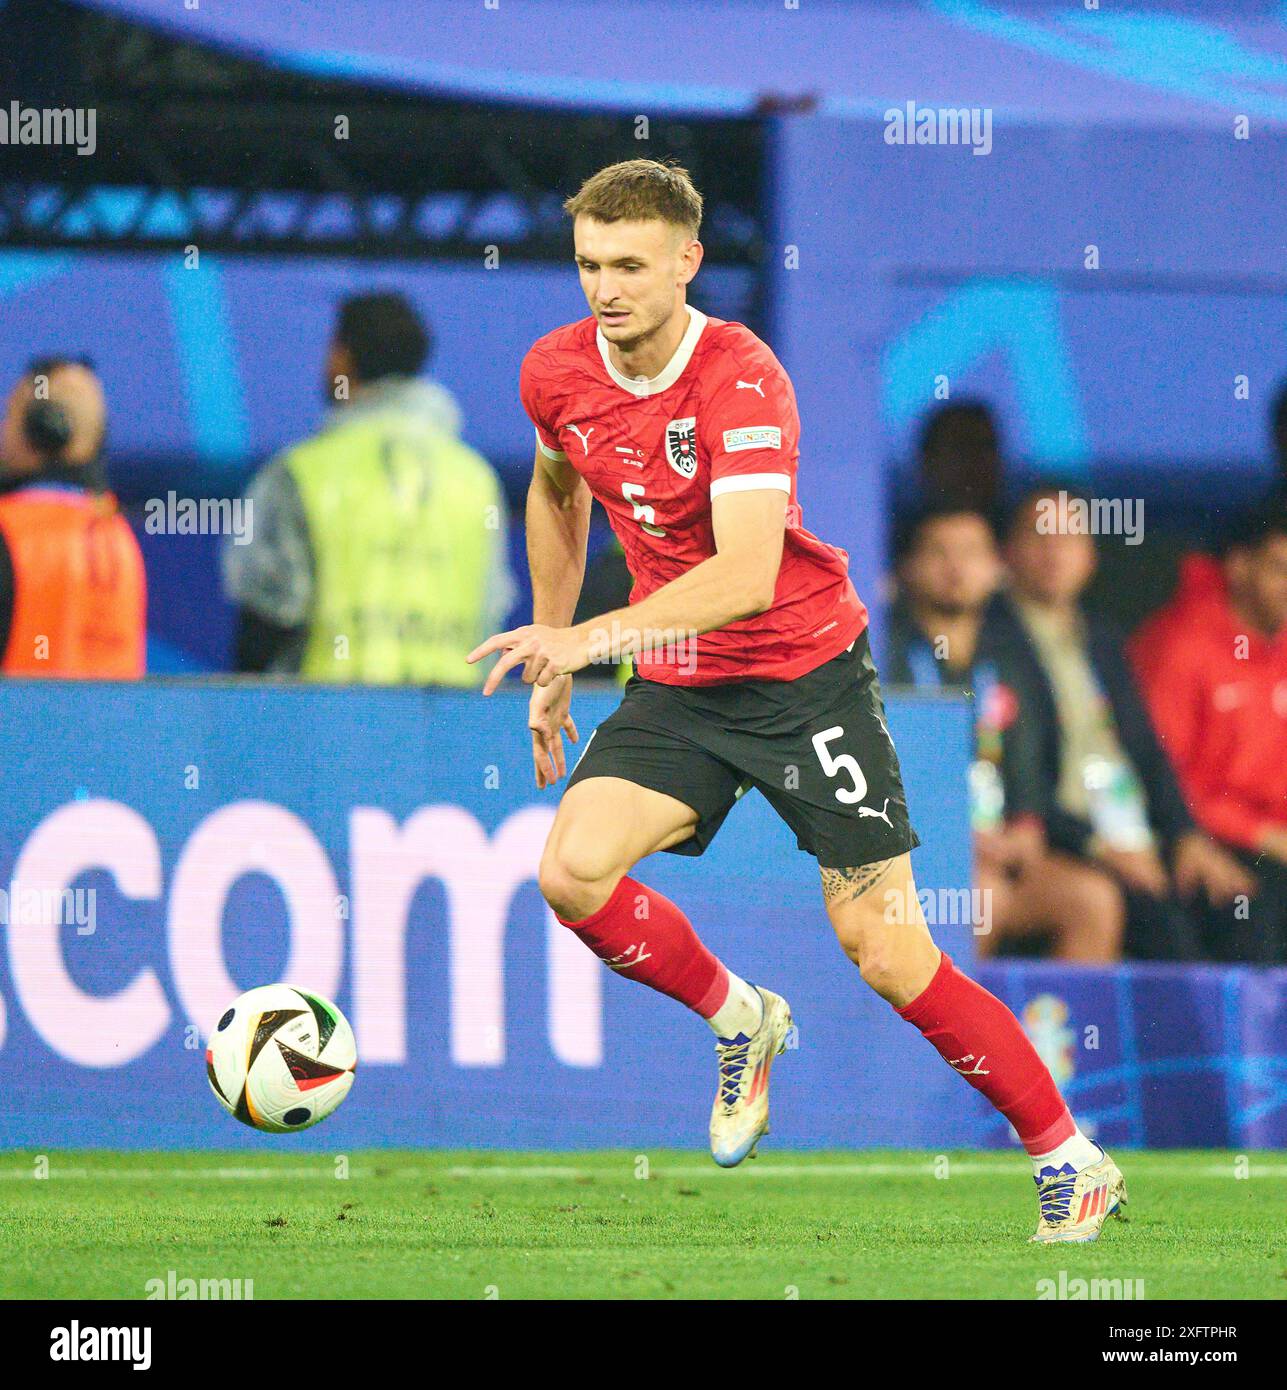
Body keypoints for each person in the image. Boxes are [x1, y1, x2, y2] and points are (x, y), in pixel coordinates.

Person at [468, 159, 1125, 1244]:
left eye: (629, 265)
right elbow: (554, 488)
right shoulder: (555, 373)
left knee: (886, 950)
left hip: (803, 676)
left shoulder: (740, 375)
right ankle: (742, 1019)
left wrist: (585, 636)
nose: (605, 289)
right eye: (588, 264)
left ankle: (1067, 1153)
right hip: (679, 681)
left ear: (688, 262)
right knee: (570, 869)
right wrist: (554, 659)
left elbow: (744, 574)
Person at [1003, 487, 1251, 960]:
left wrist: (1185, 837)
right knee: (1165, 935)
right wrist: (1099, 846)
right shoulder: (993, 641)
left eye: (1070, 537)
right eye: (1040, 535)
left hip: (1136, 834)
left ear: (1091, 556)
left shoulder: (1102, 640)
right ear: (1008, 550)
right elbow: (1020, 777)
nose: (1055, 550)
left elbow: (1148, 752)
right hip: (1069, 840)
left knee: (1242, 909)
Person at [225, 291, 514, 684]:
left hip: (326, 726)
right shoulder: (476, 479)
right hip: (450, 723)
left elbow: (266, 617)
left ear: (343, 358)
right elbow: (491, 613)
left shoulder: (302, 472)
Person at [885, 505, 1125, 961]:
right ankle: (944, 1033)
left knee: (1093, 899)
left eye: (971, 553)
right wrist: (953, 837)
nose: (956, 567)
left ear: (997, 568)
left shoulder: (1013, 662)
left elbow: (1032, 763)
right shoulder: (890, 656)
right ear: (908, 568)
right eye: (939, 552)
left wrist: (1027, 826)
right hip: (922, 860)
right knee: (981, 898)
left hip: (1005, 854)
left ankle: (1055, 1035)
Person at [1130, 502, 1287, 964]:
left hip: (1271, 841)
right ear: (1240, 567)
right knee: (1249, 914)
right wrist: (1262, 835)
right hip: (1199, 838)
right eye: (1280, 569)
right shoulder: (1181, 645)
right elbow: (1161, 780)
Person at [0, 357, 145, 678]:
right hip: (109, 728)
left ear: (41, 431)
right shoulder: (120, 536)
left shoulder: (10, 530)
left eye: (9, 416)